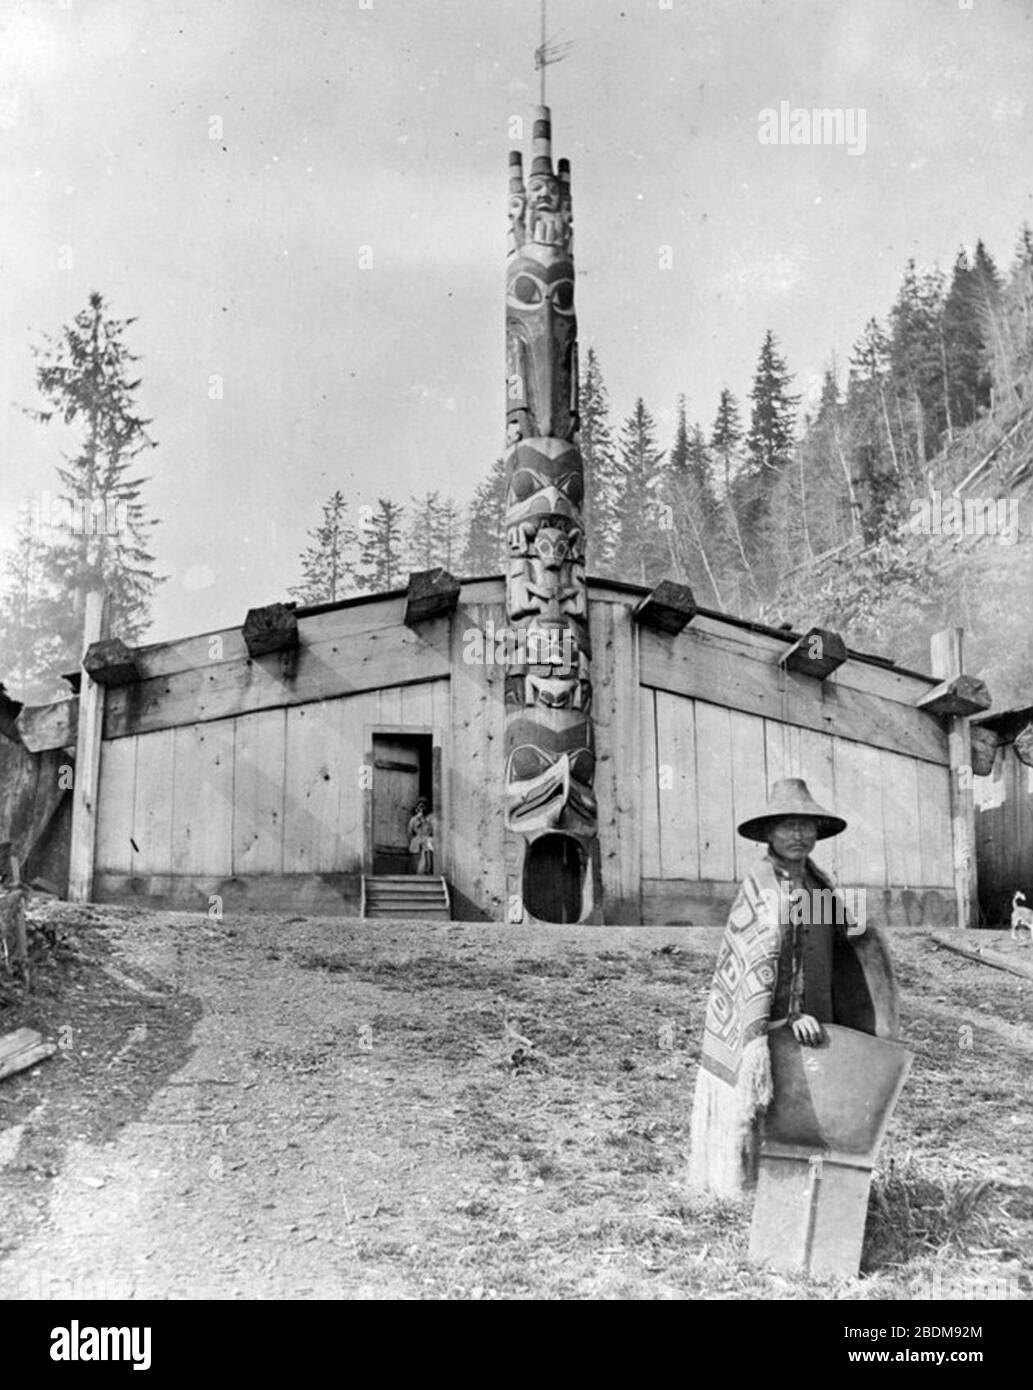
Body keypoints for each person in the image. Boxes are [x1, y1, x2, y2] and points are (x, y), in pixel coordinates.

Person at [688, 777, 898, 1200]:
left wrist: (862, 938)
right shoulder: (763, 886)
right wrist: (786, 1016)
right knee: (771, 1102)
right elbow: (756, 961)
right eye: (787, 826)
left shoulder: (817, 886)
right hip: (775, 1022)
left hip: (818, 1014)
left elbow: (836, 943)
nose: (798, 835)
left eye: (806, 826)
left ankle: (809, 1185)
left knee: (812, 1101)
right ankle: (752, 1186)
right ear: (768, 833)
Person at [407, 798, 434, 875]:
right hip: (417, 840)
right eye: (420, 806)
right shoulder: (413, 819)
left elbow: (432, 830)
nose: (422, 809)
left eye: (424, 806)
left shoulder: (431, 818)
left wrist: (424, 821)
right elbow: (410, 832)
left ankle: (428, 871)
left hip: (427, 839)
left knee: (428, 847)